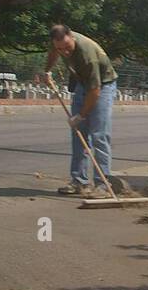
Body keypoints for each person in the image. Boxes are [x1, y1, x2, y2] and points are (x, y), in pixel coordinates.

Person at [41, 25, 119, 197]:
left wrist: (81, 115)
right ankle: (79, 181)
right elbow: (53, 53)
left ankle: (103, 184)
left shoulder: (87, 55)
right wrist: (47, 71)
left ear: (72, 38)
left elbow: (95, 91)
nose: (64, 52)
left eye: (67, 48)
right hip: (82, 83)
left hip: (103, 86)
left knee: (99, 134)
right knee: (79, 135)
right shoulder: (58, 43)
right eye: (60, 49)